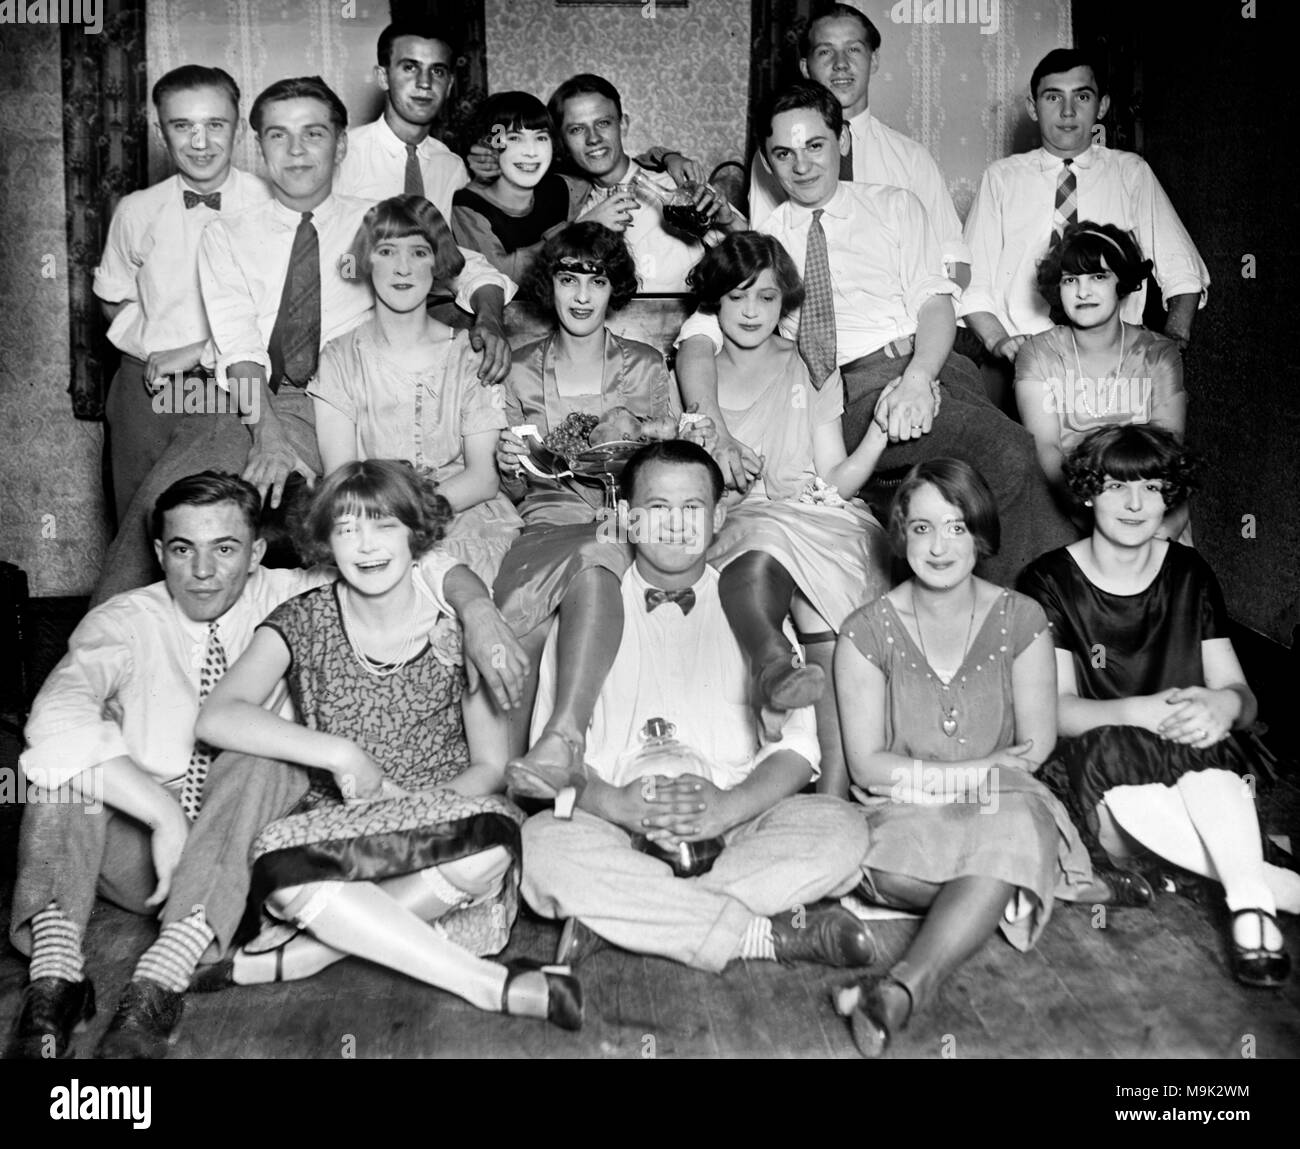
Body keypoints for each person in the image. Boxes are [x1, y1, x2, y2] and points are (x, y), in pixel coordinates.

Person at [5, 471, 527, 1060]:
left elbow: (410, 562)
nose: (202, 570)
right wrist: (161, 816)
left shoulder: (292, 592)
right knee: (67, 775)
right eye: (182, 549)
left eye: (224, 548)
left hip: (240, 838)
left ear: (256, 552)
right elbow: (54, 724)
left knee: (263, 756)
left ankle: (161, 981)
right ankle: (54, 983)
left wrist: (478, 608)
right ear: (159, 553)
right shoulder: (121, 621)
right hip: (150, 854)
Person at [92, 74, 517, 606]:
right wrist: (267, 433)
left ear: (340, 145)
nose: (295, 151)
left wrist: (490, 318)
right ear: (260, 145)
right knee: (167, 505)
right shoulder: (227, 233)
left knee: (298, 522)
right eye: (277, 135)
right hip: (254, 399)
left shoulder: (377, 216)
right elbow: (240, 345)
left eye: (313, 134)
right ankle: (102, 649)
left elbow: (468, 268)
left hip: (343, 400)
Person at [192, 460, 582, 1029]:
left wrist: (410, 807)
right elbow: (217, 716)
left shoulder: (457, 626)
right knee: (277, 863)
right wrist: (340, 755)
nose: (366, 546)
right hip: (344, 827)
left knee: (491, 843)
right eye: (347, 529)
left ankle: (307, 952)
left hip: (444, 824)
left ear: (415, 534)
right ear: (325, 541)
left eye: (383, 526)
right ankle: (487, 985)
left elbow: (493, 768)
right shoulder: (301, 618)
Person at [676, 81, 1075, 585]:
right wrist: (714, 426)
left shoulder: (895, 206)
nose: (801, 167)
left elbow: (934, 303)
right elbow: (697, 337)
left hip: (934, 364)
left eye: (815, 146)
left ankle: (1034, 607)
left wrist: (917, 379)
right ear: (767, 160)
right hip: (847, 388)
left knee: (1006, 458)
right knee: (1006, 451)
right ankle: (1038, 615)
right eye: (784, 154)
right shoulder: (765, 240)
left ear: (842, 141)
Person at [522, 440, 876, 980]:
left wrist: (728, 807)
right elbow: (556, 763)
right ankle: (760, 935)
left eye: (691, 510)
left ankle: (623, 917)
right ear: (627, 519)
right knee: (541, 847)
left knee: (840, 829)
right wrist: (617, 804)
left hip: (737, 822)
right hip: (620, 827)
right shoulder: (588, 612)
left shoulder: (747, 603)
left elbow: (800, 753)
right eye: (657, 510)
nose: (674, 525)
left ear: (717, 517)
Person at [832, 459, 1121, 1059]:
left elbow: (1034, 750)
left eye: (957, 527)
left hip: (1004, 801)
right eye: (922, 528)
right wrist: (972, 772)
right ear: (900, 534)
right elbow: (867, 768)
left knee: (1011, 825)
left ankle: (902, 989)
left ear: (982, 536)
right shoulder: (863, 632)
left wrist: (986, 780)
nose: (939, 546)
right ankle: (1011, 887)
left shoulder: (1023, 619)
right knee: (889, 869)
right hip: (904, 804)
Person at [1018, 426, 1298, 988]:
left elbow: (1242, 698)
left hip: (1192, 760)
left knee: (1203, 738)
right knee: (1117, 746)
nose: (1136, 503)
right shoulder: (1048, 578)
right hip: (1099, 768)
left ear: (1170, 495)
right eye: (1117, 486)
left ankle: (1251, 906)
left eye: (1152, 486)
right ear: (1087, 492)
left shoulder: (1189, 572)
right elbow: (1058, 711)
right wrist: (1141, 709)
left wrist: (1221, 703)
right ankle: (1270, 887)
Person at [687, 231, 890, 795]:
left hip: (819, 516)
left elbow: (833, 478)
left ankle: (837, 792)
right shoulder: (693, 375)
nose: (752, 312)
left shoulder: (808, 366)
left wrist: (874, 438)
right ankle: (779, 681)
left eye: (768, 298)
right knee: (765, 542)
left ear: (785, 303)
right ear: (715, 301)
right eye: (737, 296)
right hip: (741, 521)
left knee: (816, 588)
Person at [493, 223, 680, 792]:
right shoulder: (520, 367)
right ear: (549, 285)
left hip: (622, 517)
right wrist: (507, 466)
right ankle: (508, 774)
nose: (580, 295)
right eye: (568, 278)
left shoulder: (647, 365)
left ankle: (562, 742)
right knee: (517, 607)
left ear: (613, 289)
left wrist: (647, 434)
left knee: (602, 548)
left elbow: (668, 461)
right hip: (544, 519)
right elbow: (518, 490)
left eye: (596, 281)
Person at [310, 195, 521, 586]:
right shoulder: (340, 357)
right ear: (367, 260)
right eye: (387, 251)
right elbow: (342, 475)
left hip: (465, 516)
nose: (403, 268)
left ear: (437, 260)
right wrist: (390, 521)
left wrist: (411, 515)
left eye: (419, 251)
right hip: (370, 517)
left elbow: (482, 478)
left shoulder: (471, 355)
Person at [94, 65, 270, 527]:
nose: (200, 142)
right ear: (160, 131)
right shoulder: (136, 210)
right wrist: (153, 340)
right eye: (182, 126)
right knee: (141, 523)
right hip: (148, 392)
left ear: (238, 127)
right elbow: (112, 298)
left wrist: (202, 349)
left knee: (229, 520)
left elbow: (283, 314)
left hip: (235, 385)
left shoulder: (270, 205)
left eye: (215, 125)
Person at [962, 47, 1209, 369]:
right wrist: (1000, 342)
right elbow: (970, 281)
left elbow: (1182, 269)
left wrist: (1173, 342)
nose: (1067, 111)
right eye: (1052, 97)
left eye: (1081, 97)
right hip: (1023, 356)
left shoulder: (1130, 172)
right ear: (1032, 107)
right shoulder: (1001, 178)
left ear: (1102, 105)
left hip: (1113, 357)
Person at [747, 2, 968, 287]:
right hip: (806, 316)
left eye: (853, 49)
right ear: (805, 66)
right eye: (825, 51)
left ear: (873, 60)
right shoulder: (778, 158)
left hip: (901, 321)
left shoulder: (911, 158)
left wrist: (934, 322)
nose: (841, 63)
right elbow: (765, 253)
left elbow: (953, 258)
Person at [1015, 221, 1188, 540]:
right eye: (1070, 280)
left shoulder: (1158, 354)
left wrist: (1137, 516)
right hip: (1071, 498)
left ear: (1121, 282)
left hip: (1147, 498)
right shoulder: (1038, 354)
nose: (1083, 291)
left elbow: (1169, 452)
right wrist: (1096, 505)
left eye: (1098, 276)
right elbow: (1046, 448)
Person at [550, 73, 744, 292]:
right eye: (576, 129)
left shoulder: (679, 187)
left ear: (623, 125)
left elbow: (756, 257)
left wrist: (728, 222)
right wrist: (581, 232)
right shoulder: (570, 208)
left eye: (603, 123)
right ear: (562, 140)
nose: (593, 138)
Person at [451, 91, 574, 282]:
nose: (531, 152)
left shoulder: (564, 188)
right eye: (515, 138)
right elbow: (497, 276)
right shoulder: (467, 205)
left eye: (541, 138)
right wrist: (576, 232)